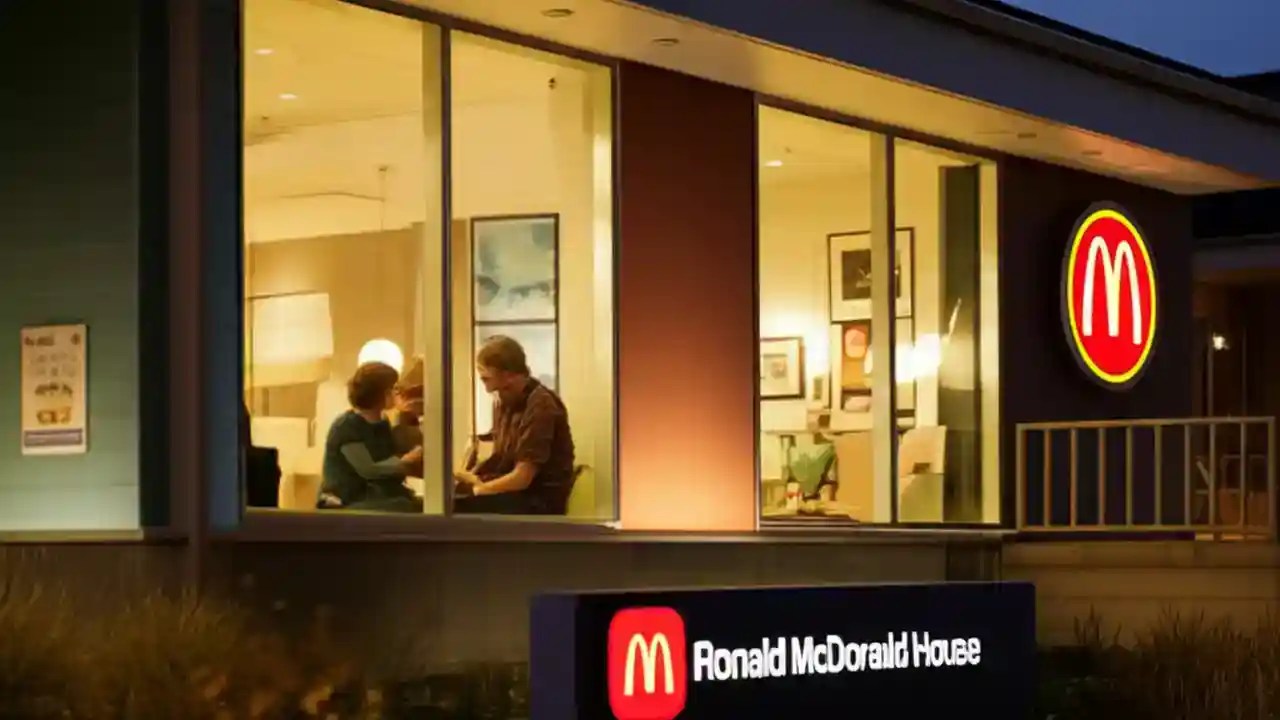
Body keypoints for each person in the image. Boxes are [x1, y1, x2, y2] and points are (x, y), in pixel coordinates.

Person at [453, 335, 575, 514]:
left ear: (508, 375)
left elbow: (522, 478)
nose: (488, 389)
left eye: (486, 379)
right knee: (453, 496)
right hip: (518, 494)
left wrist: (478, 490)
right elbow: (502, 459)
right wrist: (471, 477)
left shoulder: (542, 406)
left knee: (458, 507)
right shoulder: (504, 401)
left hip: (538, 501)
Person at [318, 362, 423, 513]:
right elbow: (369, 470)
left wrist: (410, 418)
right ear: (383, 393)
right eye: (394, 389)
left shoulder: (384, 423)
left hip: (378, 497)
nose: (397, 393)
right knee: (404, 507)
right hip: (347, 500)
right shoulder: (347, 426)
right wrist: (404, 462)